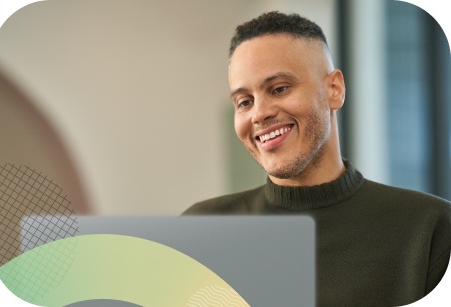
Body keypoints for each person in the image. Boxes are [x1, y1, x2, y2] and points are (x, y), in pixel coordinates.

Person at [183, 11, 451, 306]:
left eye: (279, 89)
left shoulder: (431, 230)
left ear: (334, 89)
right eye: (244, 102)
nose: (259, 114)